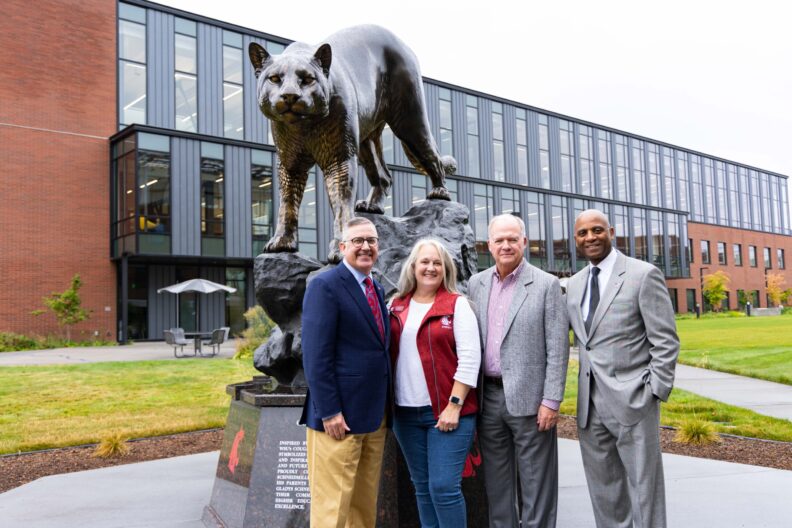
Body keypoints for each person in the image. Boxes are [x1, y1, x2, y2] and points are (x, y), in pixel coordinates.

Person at [566, 209, 679, 528]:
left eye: (597, 230)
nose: (590, 237)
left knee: (645, 490)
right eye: (583, 233)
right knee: (605, 493)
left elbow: (666, 340)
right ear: (576, 239)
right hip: (589, 407)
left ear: (611, 232)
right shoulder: (574, 285)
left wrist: (653, 391)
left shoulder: (643, 275)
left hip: (634, 401)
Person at [468, 214, 569, 528]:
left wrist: (551, 400)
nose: (506, 245)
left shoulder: (546, 285)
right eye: (499, 240)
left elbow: (558, 347)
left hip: (531, 401)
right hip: (489, 400)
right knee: (497, 487)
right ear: (489, 245)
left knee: (536, 484)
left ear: (524, 242)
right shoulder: (477, 283)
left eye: (513, 239)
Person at [300, 217, 391, 528]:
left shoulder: (375, 289)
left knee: (363, 510)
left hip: (373, 418)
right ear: (342, 248)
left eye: (372, 241)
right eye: (357, 241)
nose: (365, 246)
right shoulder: (324, 286)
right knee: (331, 512)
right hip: (337, 420)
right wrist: (329, 411)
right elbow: (315, 356)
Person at [388, 238, 481, 528]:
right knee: (422, 487)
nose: (430, 268)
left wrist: (454, 405)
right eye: (425, 262)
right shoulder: (396, 305)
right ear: (413, 267)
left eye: (437, 262)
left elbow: (469, 359)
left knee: (443, 487)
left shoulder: (457, 305)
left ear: (446, 269)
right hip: (405, 413)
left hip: (445, 412)